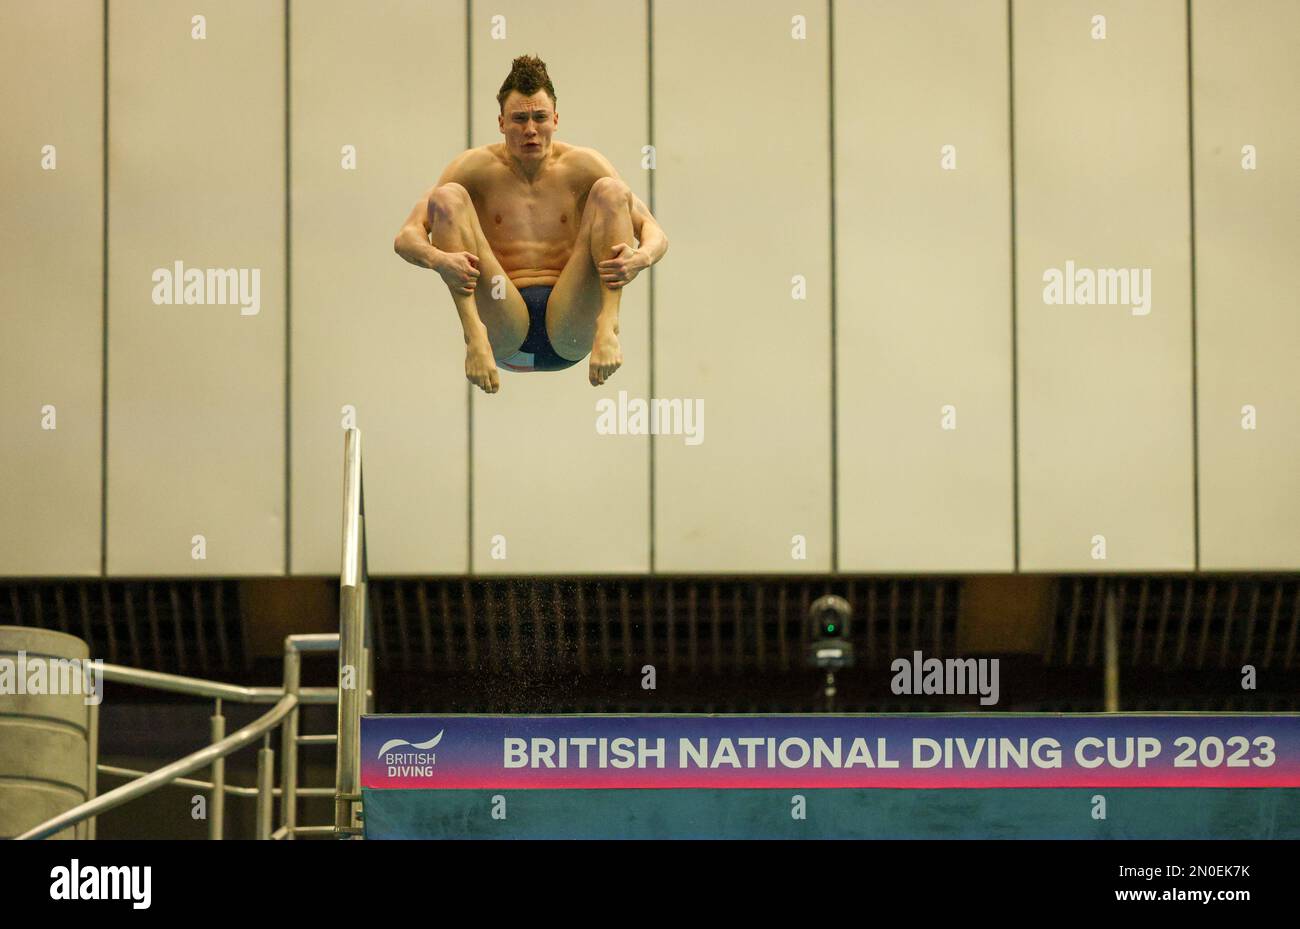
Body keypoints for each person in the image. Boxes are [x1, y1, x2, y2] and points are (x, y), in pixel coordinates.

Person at [393, 55, 668, 393]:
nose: (530, 130)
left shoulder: (583, 166)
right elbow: (406, 237)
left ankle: (608, 328)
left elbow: (655, 234)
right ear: (501, 122)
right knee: (447, 197)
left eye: (539, 118)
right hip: (502, 325)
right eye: (519, 119)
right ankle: (473, 338)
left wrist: (640, 258)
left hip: (571, 323)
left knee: (611, 192)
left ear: (555, 119)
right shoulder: (474, 168)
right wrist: (439, 260)